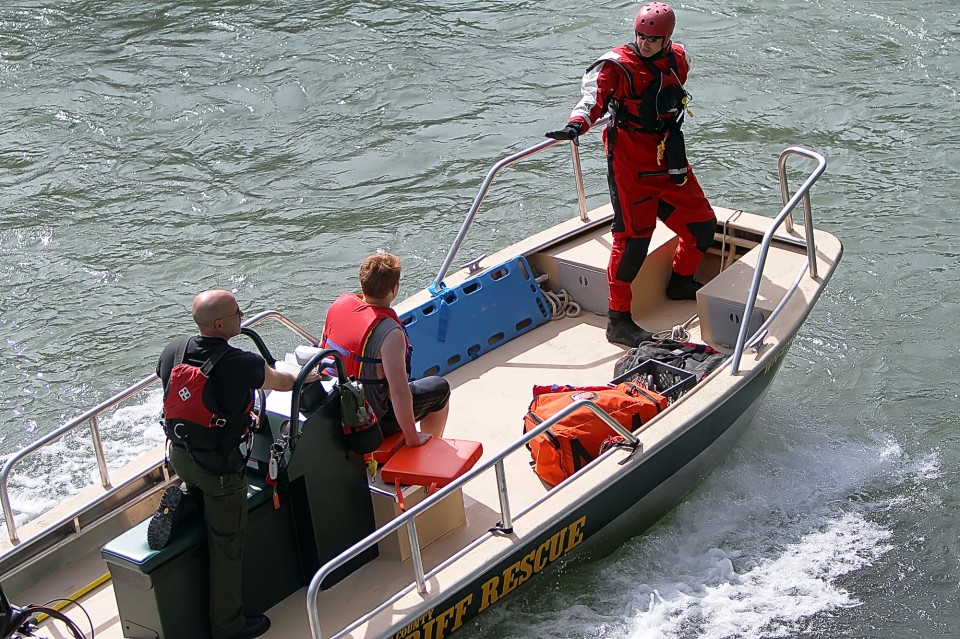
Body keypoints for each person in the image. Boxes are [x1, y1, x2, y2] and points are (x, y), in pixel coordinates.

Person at [546, 2, 718, 348]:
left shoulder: (678, 58)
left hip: (668, 154)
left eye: (653, 39)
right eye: (641, 36)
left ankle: (681, 282)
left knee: (701, 225)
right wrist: (575, 126)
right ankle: (619, 321)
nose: (645, 44)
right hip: (630, 162)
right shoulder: (616, 67)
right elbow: (591, 100)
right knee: (633, 241)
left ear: (667, 39)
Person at [151, 289, 298, 639]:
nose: (242, 315)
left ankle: (186, 498)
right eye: (236, 312)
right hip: (220, 471)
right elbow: (280, 382)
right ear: (220, 323)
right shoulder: (239, 362)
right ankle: (228, 624)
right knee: (227, 545)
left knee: (200, 484)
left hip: (181, 456)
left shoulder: (174, 349)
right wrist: (307, 376)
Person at [320, 252, 449, 447]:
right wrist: (412, 437)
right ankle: (429, 448)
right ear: (394, 289)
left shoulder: (337, 307)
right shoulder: (390, 333)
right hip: (370, 419)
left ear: (362, 282)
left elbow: (321, 350)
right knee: (440, 388)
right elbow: (397, 391)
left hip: (335, 406)